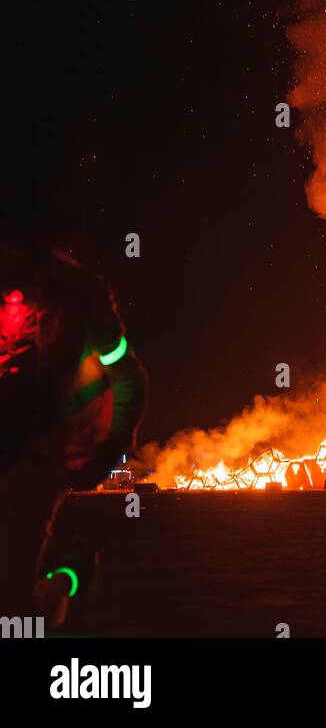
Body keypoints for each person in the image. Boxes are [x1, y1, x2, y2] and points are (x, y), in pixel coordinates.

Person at [0, 237, 147, 626]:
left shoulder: (78, 292)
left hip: (38, 459)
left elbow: (126, 375)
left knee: (11, 606)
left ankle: (68, 578)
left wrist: (108, 449)